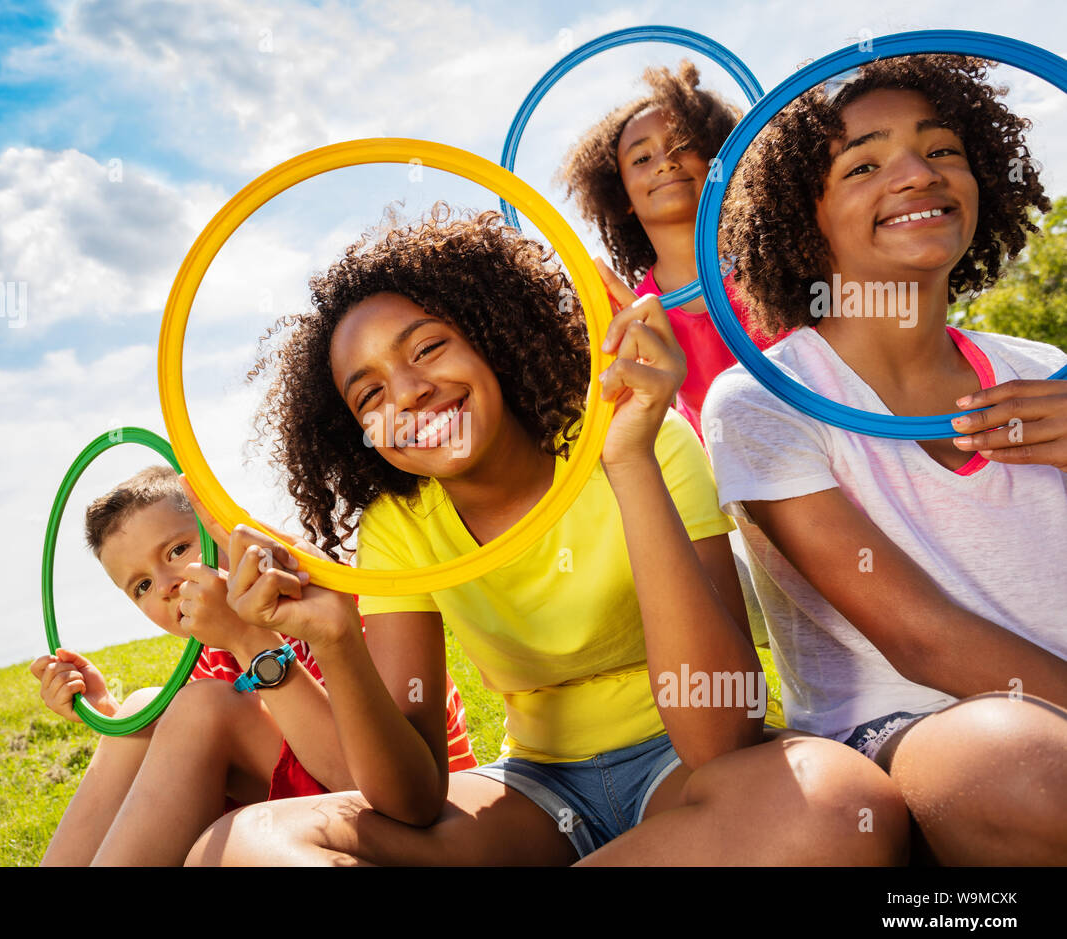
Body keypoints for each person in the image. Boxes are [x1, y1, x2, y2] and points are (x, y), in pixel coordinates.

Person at [185, 204, 906, 866]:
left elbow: (722, 740)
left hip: (693, 778)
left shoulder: (637, 437)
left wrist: (627, 463)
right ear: (360, 435)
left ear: (493, 337)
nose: (406, 391)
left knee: (839, 806)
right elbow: (411, 801)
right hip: (536, 794)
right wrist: (338, 642)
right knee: (250, 842)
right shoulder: (399, 526)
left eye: (428, 347)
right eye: (369, 392)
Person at [703, 54, 1067, 864]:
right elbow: (922, 641)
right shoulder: (763, 400)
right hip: (911, 729)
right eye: (863, 163)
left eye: (942, 150)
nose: (915, 175)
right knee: (1020, 763)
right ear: (807, 216)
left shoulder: (1042, 370)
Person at [31, 464, 475, 865]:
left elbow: (376, 782)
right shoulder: (210, 654)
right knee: (141, 709)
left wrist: (249, 641)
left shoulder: (322, 600)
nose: (166, 585)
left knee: (202, 707)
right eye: (142, 586)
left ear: (220, 527)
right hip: (326, 813)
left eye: (177, 550)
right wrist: (111, 716)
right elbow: (206, 765)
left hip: (432, 819)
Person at [555, 60, 787, 440]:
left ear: (718, 159)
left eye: (684, 144)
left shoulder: (786, 256)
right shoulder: (631, 315)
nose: (666, 162)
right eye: (642, 158)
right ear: (621, 194)